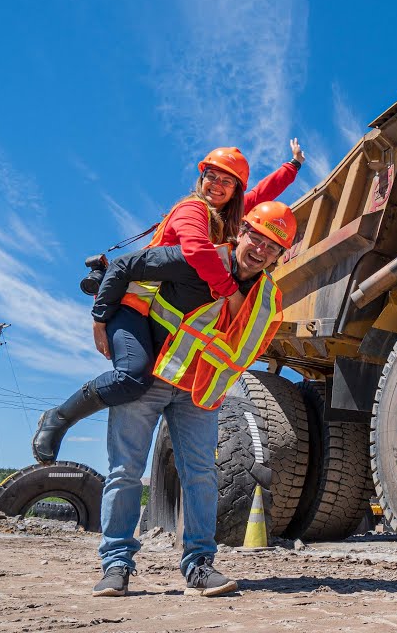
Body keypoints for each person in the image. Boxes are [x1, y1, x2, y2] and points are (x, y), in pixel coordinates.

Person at [31, 141, 304, 463]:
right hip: (135, 301)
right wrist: (230, 291)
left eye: (227, 182)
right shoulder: (193, 210)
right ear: (201, 178)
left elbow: (260, 195)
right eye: (211, 177)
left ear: (235, 190)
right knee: (133, 378)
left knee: (152, 381)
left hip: (161, 311)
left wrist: (293, 166)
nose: (217, 186)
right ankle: (58, 418)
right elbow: (198, 251)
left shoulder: (227, 218)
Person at [88, 201, 297, 597]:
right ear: (242, 232)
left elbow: (243, 351)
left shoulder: (269, 300)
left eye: (272, 247)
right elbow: (129, 270)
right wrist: (105, 321)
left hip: (199, 393)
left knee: (202, 477)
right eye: (257, 236)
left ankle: (200, 566)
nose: (260, 250)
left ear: (279, 256)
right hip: (149, 376)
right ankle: (116, 565)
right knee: (124, 471)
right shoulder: (198, 258)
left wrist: (219, 386)